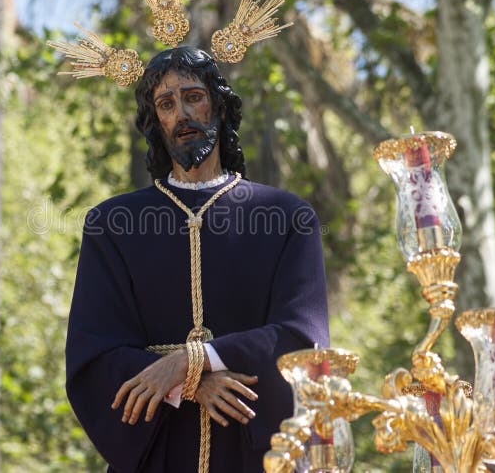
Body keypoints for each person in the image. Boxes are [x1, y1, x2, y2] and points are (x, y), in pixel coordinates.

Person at [65, 46, 330, 473]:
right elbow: (92, 356)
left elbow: (303, 340)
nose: (182, 113)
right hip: (161, 453)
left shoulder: (286, 217)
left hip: (253, 454)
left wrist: (192, 359)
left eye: (194, 97)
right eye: (166, 104)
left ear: (219, 106)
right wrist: (192, 383)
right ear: (156, 122)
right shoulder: (113, 223)